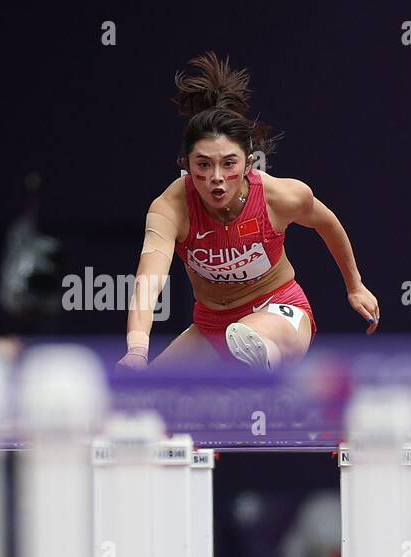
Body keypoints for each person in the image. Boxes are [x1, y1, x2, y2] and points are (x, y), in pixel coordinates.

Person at [118, 52, 379, 371]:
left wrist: (355, 285)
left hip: (280, 312)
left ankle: (262, 375)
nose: (216, 177)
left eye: (228, 163)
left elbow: (327, 223)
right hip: (210, 327)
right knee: (148, 400)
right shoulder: (169, 208)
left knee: (246, 342)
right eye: (203, 164)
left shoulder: (280, 196)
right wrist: (137, 351)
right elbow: (149, 280)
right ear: (186, 165)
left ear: (248, 165)